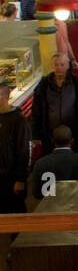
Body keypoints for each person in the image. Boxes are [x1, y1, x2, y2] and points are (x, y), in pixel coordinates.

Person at [30, 52, 78, 154]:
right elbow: (36, 111)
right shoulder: (43, 85)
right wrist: (35, 134)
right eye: (56, 65)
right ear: (52, 66)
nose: (59, 68)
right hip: (50, 135)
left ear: (68, 66)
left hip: (75, 133)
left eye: (62, 65)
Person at [29, 126, 78, 200]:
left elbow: (37, 193)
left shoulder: (40, 163)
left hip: (51, 207)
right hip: (77, 205)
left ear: (52, 141)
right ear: (72, 140)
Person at [0, 83, 29, 215]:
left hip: (11, 177)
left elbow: (23, 151)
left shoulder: (18, 120)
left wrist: (21, 179)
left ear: (7, 96)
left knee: (16, 212)